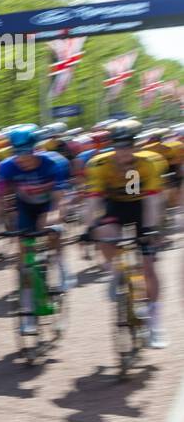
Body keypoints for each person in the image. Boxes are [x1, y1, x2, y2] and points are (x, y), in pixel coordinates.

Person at [85, 119, 168, 348]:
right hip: (116, 207)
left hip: (143, 208)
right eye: (119, 146)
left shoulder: (150, 162)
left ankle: (155, 323)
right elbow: (93, 201)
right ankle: (116, 273)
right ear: (113, 146)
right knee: (103, 233)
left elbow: (153, 201)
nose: (124, 151)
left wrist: (151, 229)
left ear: (136, 144)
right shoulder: (99, 164)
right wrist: (88, 227)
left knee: (149, 267)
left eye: (129, 145)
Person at [0, 124, 71, 335]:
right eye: (17, 153)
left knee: (49, 229)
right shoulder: (6, 167)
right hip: (26, 207)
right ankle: (27, 314)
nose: (22, 159)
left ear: (36, 150)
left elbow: (59, 200)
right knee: (25, 259)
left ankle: (60, 264)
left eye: (26, 153)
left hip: (49, 205)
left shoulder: (54, 163)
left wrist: (55, 221)